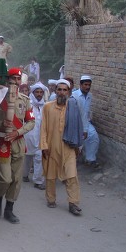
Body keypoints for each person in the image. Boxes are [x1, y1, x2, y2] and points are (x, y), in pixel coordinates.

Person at [0, 67, 35, 224]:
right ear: (7, 80)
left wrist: (18, 132)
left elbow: (31, 122)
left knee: (16, 179)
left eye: (18, 79)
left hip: (18, 142)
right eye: (13, 79)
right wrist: (0, 123)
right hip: (2, 142)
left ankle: (9, 209)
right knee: (5, 178)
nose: (16, 82)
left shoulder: (25, 100)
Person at [40, 79, 83, 215]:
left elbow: (78, 127)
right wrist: (44, 145)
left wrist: (78, 145)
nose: (62, 92)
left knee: (72, 176)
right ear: (55, 91)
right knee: (51, 176)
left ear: (69, 92)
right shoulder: (47, 107)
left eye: (65, 90)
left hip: (69, 148)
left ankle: (73, 203)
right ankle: (51, 198)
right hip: (52, 147)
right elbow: (43, 128)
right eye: (59, 89)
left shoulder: (73, 107)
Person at [72, 75, 100, 168]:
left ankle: (90, 159)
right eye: (85, 84)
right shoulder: (74, 95)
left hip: (86, 122)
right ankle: (71, 163)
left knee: (94, 137)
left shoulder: (89, 96)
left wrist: (87, 124)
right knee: (75, 142)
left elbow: (86, 111)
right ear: (80, 85)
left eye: (89, 85)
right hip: (75, 123)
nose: (87, 87)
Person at [22, 82, 47, 190]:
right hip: (28, 136)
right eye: (37, 92)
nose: (39, 94)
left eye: (41, 92)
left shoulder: (45, 106)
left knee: (39, 158)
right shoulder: (27, 104)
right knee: (27, 157)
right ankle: (24, 175)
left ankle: (38, 180)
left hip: (40, 136)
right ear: (33, 92)